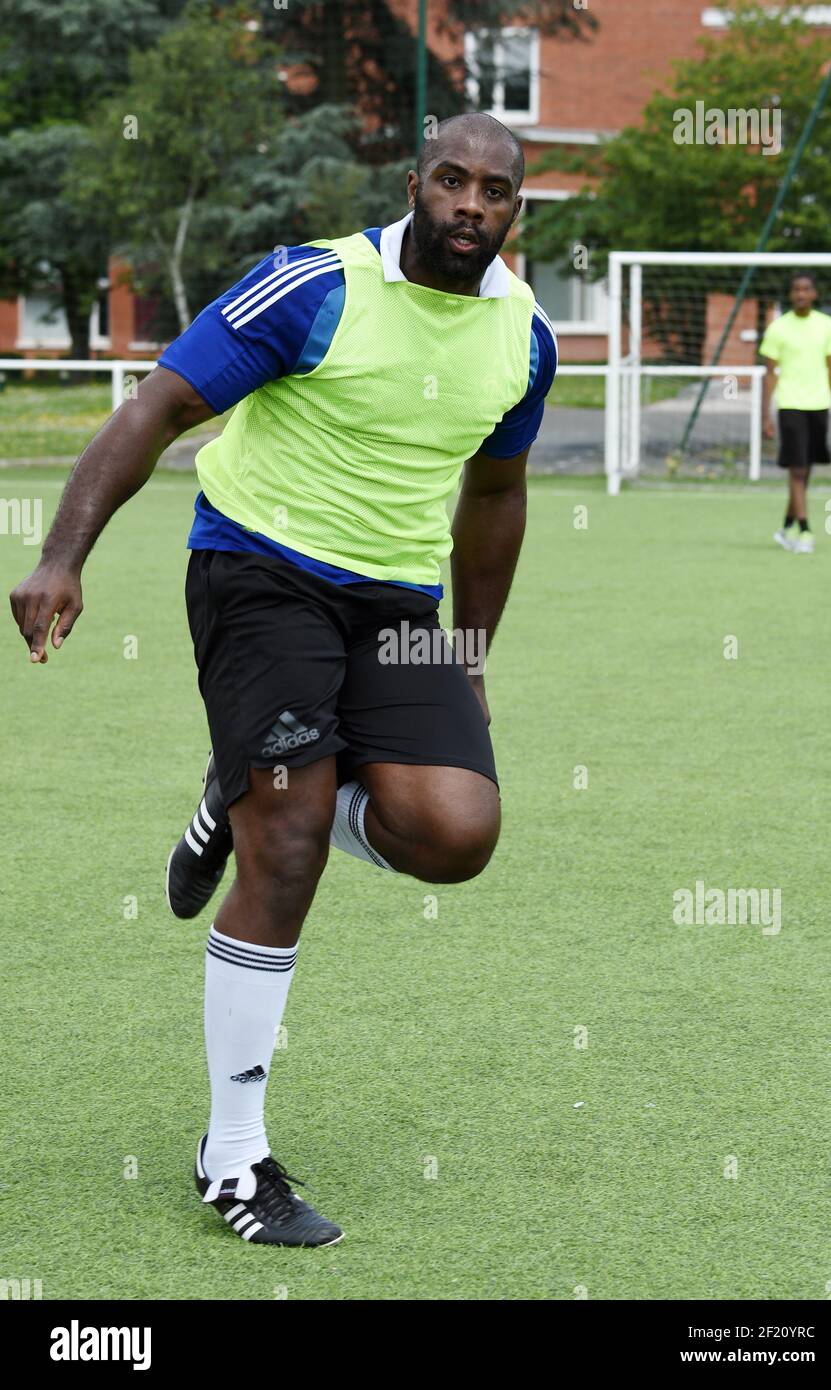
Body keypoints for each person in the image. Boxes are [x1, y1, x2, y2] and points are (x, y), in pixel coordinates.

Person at [9, 112, 558, 1248]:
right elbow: (157, 408)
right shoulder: (309, 288)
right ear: (413, 183)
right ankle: (234, 1151)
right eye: (448, 181)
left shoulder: (525, 338)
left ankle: (240, 784)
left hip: (398, 607)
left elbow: (495, 497)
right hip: (261, 573)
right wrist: (62, 554)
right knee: (295, 831)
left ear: (516, 209)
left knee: (456, 830)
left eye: (492, 191)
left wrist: (470, 650)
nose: (468, 205)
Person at [760, 271, 831, 554]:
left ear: (814, 294)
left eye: (806, 289)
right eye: (796, 289)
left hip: (819, 404)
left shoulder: (826, 325)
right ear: (790, 294)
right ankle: (806, 531)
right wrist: (765, 415)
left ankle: (786, 526)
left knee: (805, 470)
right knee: (797, 469)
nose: (801, 294)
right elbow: (769, 374)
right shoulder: (778, 328)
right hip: (790, 405)